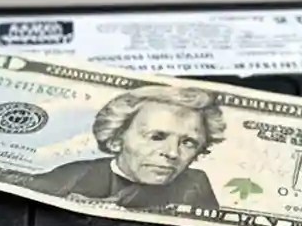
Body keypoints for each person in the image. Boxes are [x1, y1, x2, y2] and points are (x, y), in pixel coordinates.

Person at [22, 86, 225, 210]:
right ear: (117, 138)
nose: (172, 153)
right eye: (156, 137)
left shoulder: (195, 184)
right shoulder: (70, 178)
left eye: (188, 142)